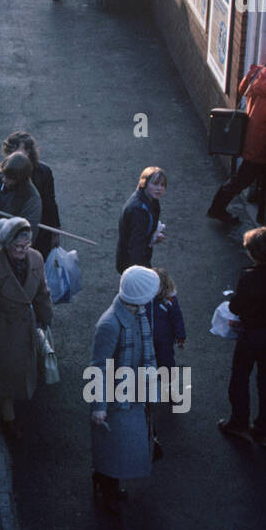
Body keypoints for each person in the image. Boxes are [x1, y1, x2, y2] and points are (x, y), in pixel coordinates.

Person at [0, 216, 54, 441]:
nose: (23, 250)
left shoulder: (36, 258)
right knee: (4, 378)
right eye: (17, 246)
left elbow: (42, 291)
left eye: (26, 245)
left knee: (10, 372)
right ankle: (8, 421)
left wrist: (46, 316)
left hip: (22, 326)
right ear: (6, 244)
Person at [90, 266, 160, 512]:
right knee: (114, 448)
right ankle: (106, 486)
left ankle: (107, 482)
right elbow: (98, 367)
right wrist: (99, 406)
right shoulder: (110, 324)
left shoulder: (135, 312)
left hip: (131, 392)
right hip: (115, 398)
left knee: (121, 447)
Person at [218, 226, 266, 446]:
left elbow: (237, 307)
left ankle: (239, 422)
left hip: (251, 335)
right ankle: (265, 429)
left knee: (240, 377)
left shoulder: (248, 277)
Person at [207, 61, 266, 225]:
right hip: (261, 144)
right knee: (244, 179)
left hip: (251, 136)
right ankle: (217, 209)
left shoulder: (259, 72)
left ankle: (260, 216)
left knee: (249, 178)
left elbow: (242, 90)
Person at [0, 131, 60, 259]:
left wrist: (56, 231)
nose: (14, 154)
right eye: (11, 150)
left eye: (18, 150)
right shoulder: (6, 170)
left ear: (28, 151)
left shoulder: (43, 172)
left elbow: (50, 202)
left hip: (40, 230)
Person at [151, 267, 186, 458]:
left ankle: (170, 391)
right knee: (148, 367)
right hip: (148, 340)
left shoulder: (170, 301)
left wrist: (181, 336)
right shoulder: (146, 299)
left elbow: (177, 318)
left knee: (167, 366)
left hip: (164, 342)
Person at [0, 151, 42, 253]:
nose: (4, 180)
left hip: (10, 251)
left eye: (9, 178)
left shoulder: (31, 198)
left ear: (20, 178)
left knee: (1, 268)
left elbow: (28, 232)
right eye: (4, 175)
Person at [116, 167, 167, 273]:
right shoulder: (138, 210)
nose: (159, 188)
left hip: (132, 259)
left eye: (162, 185)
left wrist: (152, 236)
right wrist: (141, 272)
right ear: (145, 183)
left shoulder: (150, 199)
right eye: (155, 184)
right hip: (132, 262)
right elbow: (136, 246)